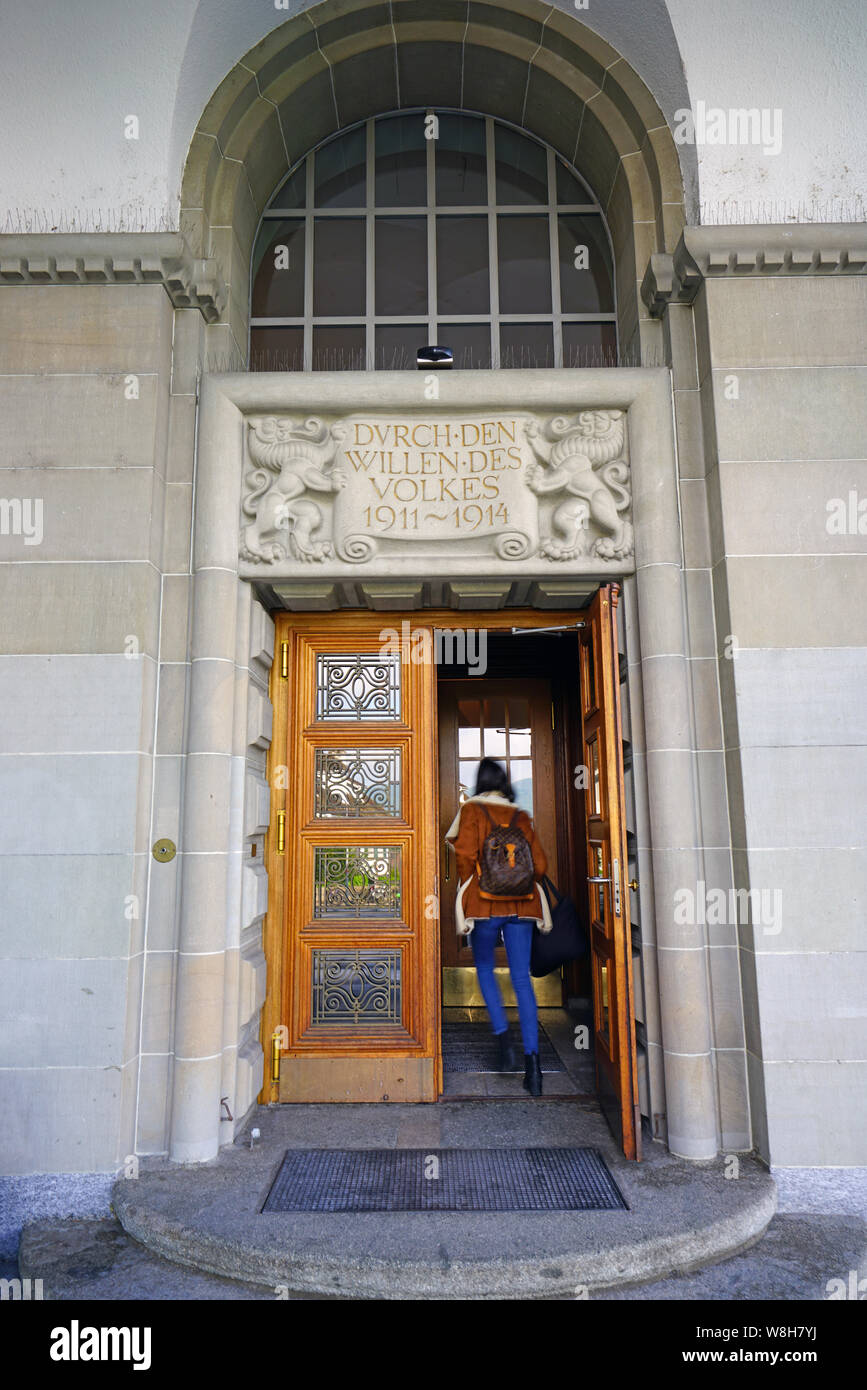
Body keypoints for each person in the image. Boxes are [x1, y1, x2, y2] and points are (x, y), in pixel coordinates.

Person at [444, 757, 552, 1096]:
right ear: (504, 782)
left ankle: (504, 1043)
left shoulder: (473, 812)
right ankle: (533, 1070)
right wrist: (516, 881)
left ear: (480, 782)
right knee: (522, 980)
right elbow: (540, 866)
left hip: (485, 904)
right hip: (522, 905)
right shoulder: (520, 816)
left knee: (486, 970)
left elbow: (463, 856)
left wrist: (472, 885)